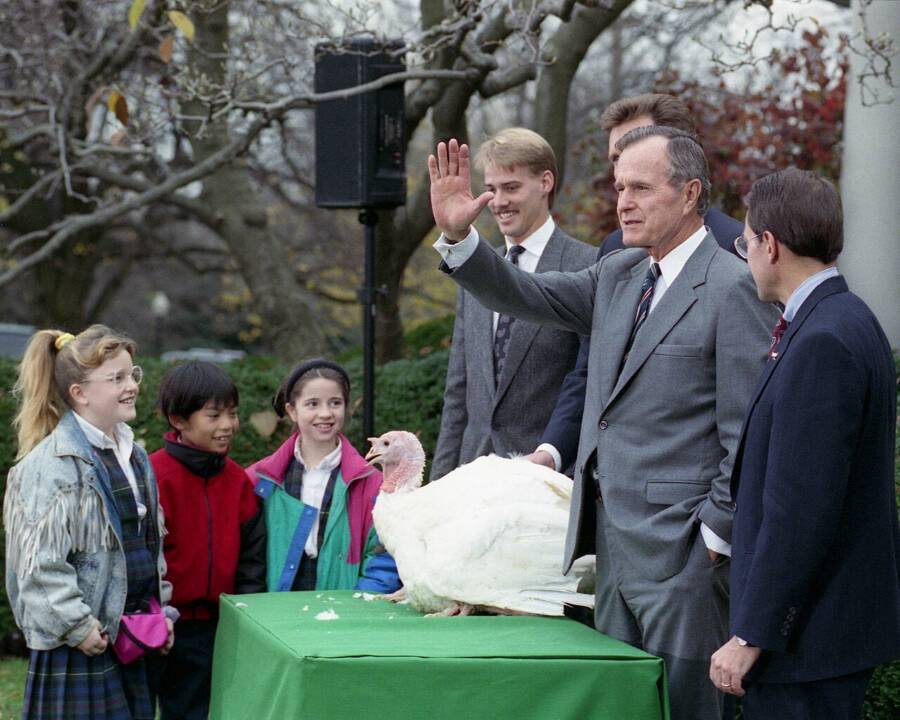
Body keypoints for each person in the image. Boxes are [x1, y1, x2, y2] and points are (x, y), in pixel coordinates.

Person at [428, 127, 777, 720]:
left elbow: (747, 436)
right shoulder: (617, 274)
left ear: (690, 193)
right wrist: (460, 237)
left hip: (687, 564)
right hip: (608, 556)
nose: (624, 203)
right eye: (619, 188)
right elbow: (522, 292)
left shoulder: (733, 286)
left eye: (640, 187)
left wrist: (713, 540)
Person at [708, 168, 900, 719]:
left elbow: (800, 509)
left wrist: (749, 636)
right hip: (822, 636)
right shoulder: (848, 317)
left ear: (770, 244)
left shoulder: (822, 340)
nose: (744, 254)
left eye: (745, 242)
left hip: (808, 644)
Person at [528, 93, 744, 474]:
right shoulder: (616, 253)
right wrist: (554, 450)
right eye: (616, 160)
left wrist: (712, 528)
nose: (623, 190)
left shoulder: (739, 256)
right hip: (602, 502)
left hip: (680, 514)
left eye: (638, 149)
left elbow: (743, 419)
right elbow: (591, 370)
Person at [4, 325, 175, 720]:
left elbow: (150, 544)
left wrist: (160, 612)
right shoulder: (49, 466)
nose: (131, 385)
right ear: (79, 394)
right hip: (79, 646)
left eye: (133, 374)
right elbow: (38, 566)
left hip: (130, 638)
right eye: (116, 378)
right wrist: (77, 627)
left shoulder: (135, 456)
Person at [430, 127, 597, 480]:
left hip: (548, 484)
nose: (499, 201)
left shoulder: (590, 269)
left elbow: (587, 388)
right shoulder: (473, 271)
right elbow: (458, 393)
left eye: (511, 187)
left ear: (546, 182)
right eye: (491, 189)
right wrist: (438, 486)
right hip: (472, 478)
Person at [148, 361, 267, 720]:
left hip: (222, 626)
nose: (228, 425)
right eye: (213, 416)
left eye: (232, 414)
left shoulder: (238, 481)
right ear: (179, 420)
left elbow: (252, 560)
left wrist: (246, 620)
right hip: (165, 626)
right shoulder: (153, 476)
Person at [246, 359, 400, 593]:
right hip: (273, 612)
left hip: (345, 614)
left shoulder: (374, 485)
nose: (325, 413)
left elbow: (384, 557)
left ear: (347, 407)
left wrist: (358, 605)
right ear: (291, 410)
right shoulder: (258, 481)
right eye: (312, 404)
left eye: (335, 403)